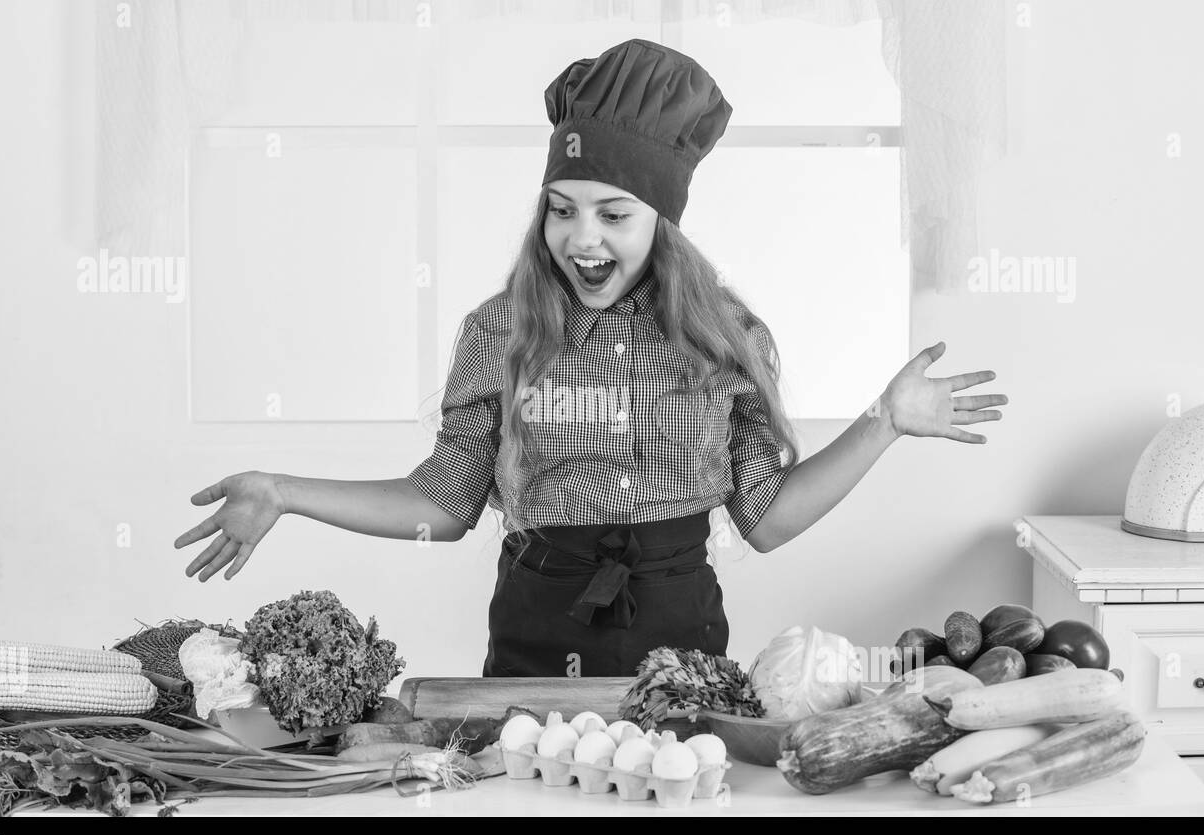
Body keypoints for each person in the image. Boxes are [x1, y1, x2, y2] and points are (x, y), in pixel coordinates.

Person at [174, 39, 1007, 678]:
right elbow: (444, 503)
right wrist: (283, 492)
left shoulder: (725, 339)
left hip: (683, 661)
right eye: (562, 209)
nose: (582, 237)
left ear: (661, 221)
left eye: (614, 214)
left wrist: (885, 422)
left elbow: (767, 521)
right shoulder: (498, 332)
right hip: (533, 650)